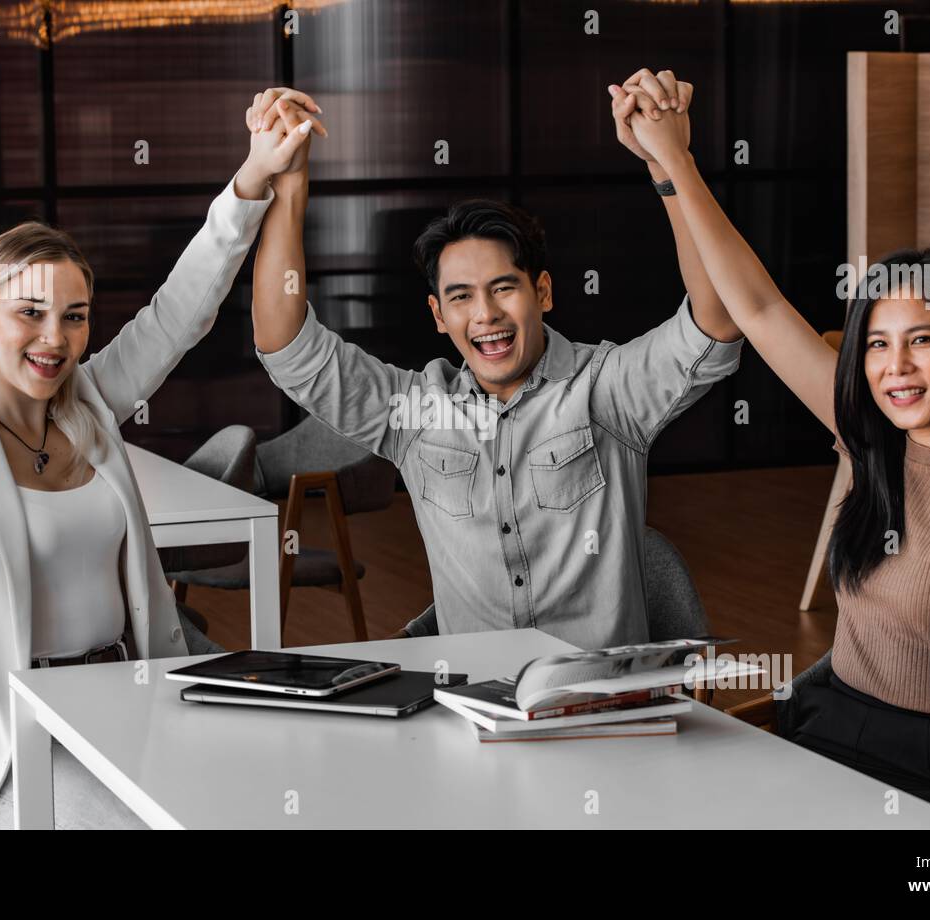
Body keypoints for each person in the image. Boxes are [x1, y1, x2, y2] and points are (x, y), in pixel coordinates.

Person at [0, 100, 319, 829]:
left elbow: (181, 310)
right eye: (30, 312)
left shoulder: (88, 404)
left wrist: (255, 173)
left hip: (129, 700)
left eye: (75, 315)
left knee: (274, 800)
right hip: (13, 742)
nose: (54, 338)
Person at [614, 71, 930, 828]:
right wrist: (670, 167)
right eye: (878, 345)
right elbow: (755, 307)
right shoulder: (869, 435)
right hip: (828, 731)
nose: (895, 368)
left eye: (923, 341)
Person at [244, 78, 743, 650]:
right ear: (438, 314)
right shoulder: (417, 413)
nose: (485, 315)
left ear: (544, 292)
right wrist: (288, 187)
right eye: (460, 298)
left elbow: (717, 321)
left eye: (504, 289)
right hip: (471, 715)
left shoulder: (605, 392)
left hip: (598, 714)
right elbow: (287, 348)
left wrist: (670, 166)